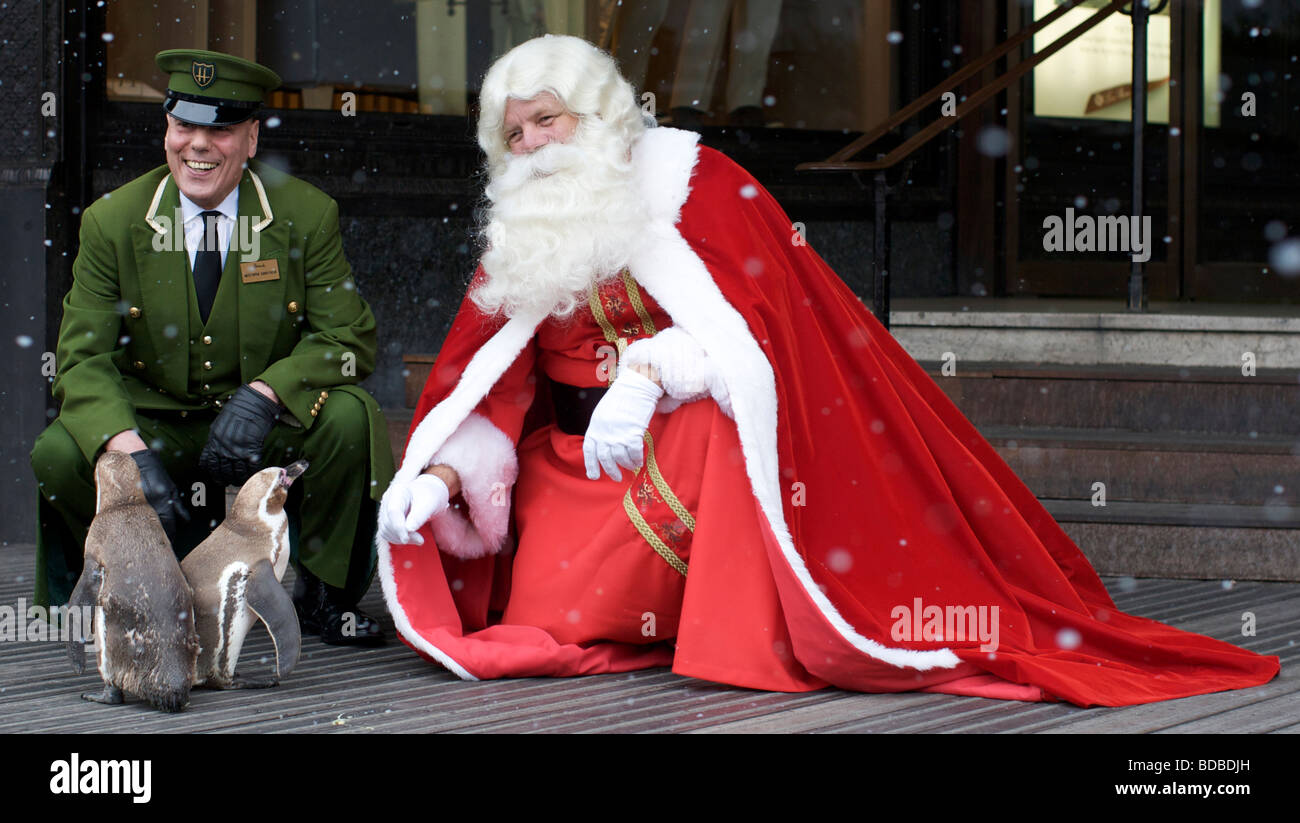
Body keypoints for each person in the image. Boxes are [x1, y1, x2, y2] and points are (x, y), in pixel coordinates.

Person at [376, 34, 1278, 705]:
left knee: (714, 426)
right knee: (548, 628)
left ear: (597, 118)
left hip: (676, 443)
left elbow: (762, 345)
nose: (532, 144)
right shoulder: (522, 227)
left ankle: (731, 634)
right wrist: (449, 470)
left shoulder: (696, 184)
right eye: (516, 131)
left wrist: (648, 373)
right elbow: (489, 373)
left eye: (548, 120)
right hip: (570, 467)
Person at [31, 49, 393, 646]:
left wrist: (268, 392)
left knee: (350, 417)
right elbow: (79, 360)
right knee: (59, 452)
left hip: (259, 424)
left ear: (250, 138)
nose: (197, 145)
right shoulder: (111, 221)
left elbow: (350, 337)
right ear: (166, 129)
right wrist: (131, 454)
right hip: (158, 423)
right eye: (184, 125)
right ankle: (119, 589)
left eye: (220, 129)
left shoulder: (304, 214)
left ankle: (324, 594)